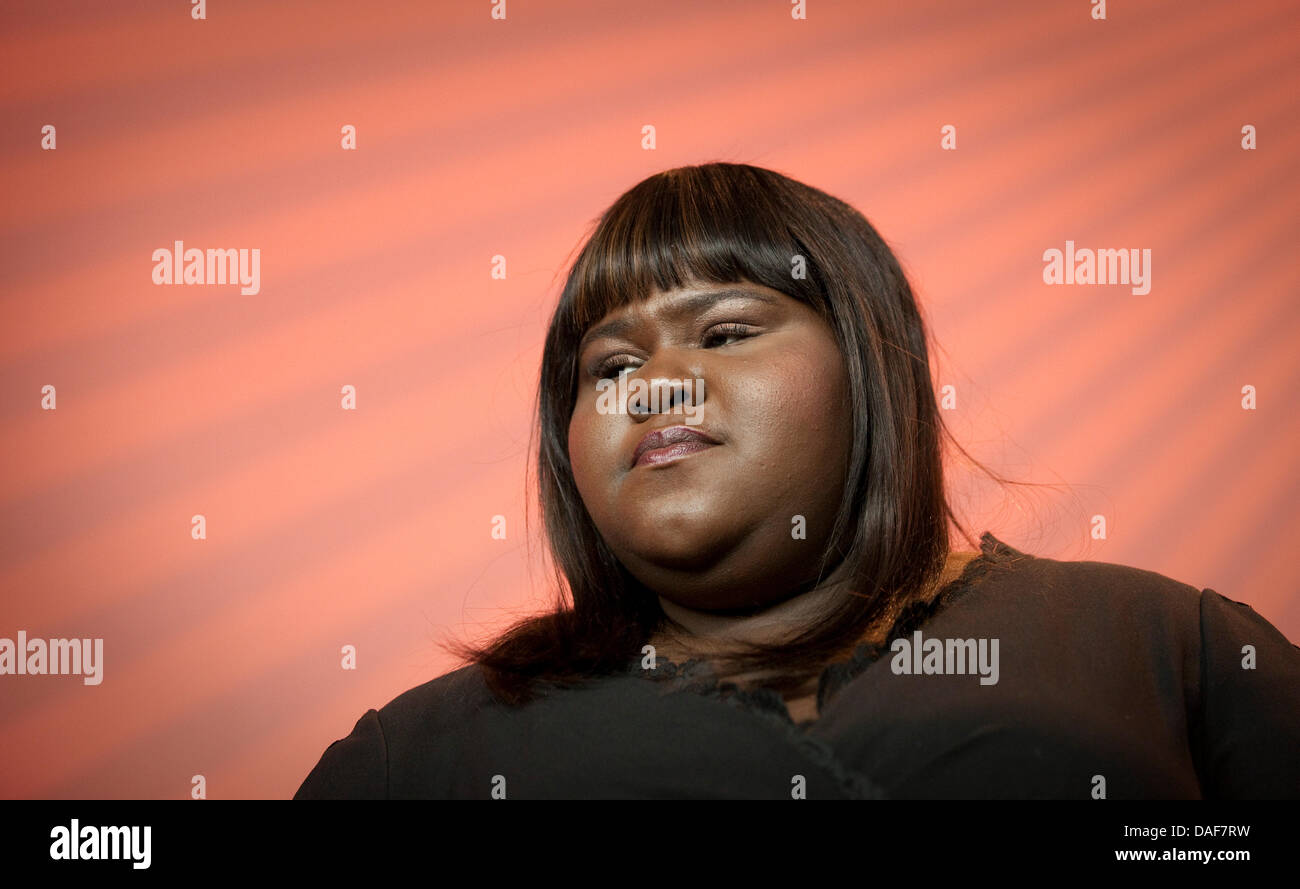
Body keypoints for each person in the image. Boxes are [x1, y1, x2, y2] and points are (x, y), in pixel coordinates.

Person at [293, 162, 1300, 799]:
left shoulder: (1175, 653)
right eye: (611, 365)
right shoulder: (412, 762)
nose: (655, 387)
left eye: (726, 332)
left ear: (869, 371)